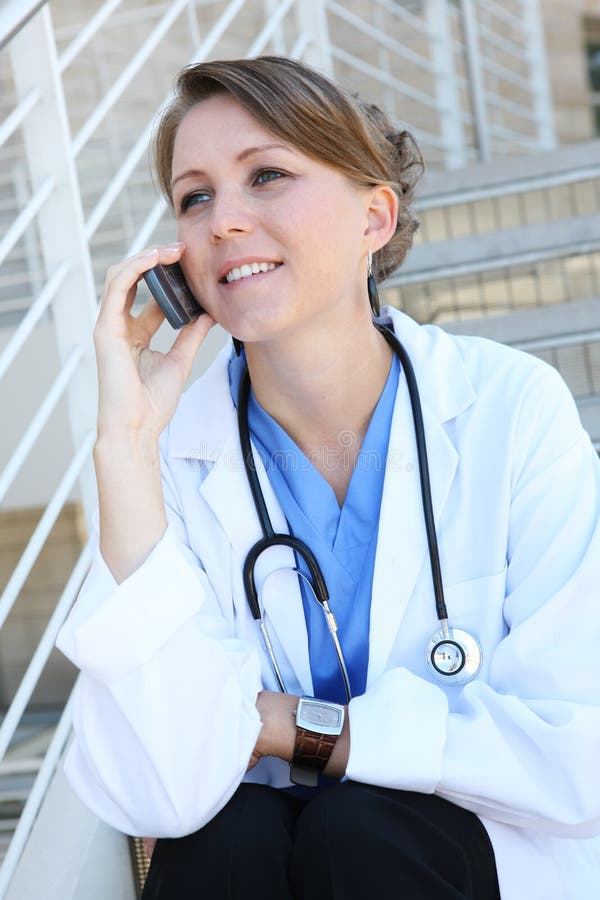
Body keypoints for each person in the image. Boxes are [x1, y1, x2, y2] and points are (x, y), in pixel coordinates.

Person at [56, 56, 600, 900]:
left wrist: (286, 728)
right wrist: (124, 450)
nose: (223, 221)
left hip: (458, 868)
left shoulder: (508, 408)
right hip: (256, 870)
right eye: (194, 197)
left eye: (266, 175)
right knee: (222, 838)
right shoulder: (170, 457)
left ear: (374, 217)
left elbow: (576, 755)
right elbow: (158, 791)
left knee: (364, 829)